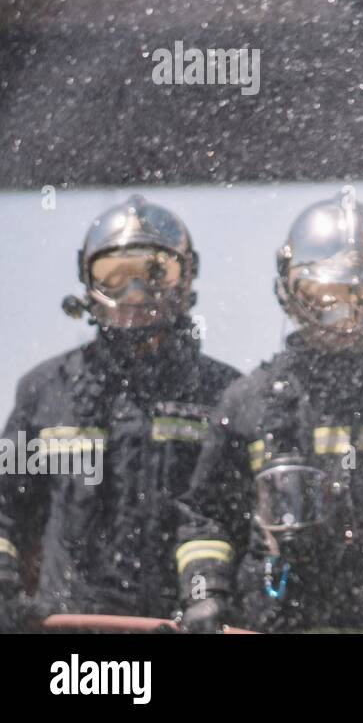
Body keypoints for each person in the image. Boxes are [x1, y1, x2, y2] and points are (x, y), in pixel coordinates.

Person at [175, 191, 363, 632]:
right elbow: (206, 516)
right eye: (323, 295)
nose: (344, 316)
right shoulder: (248, 400)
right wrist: (205, 594)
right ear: (287, 291)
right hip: (279, 621)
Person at [0, 195, 239, 630]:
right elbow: (5, 506)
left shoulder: (223, 394)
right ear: (86, 281)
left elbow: (227, 516)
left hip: (182, 628)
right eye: (113, 277)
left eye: (154, 275)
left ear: (186, 279)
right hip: (69, 638)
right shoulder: (45, 391)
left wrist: (208, 600)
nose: (135, 295)